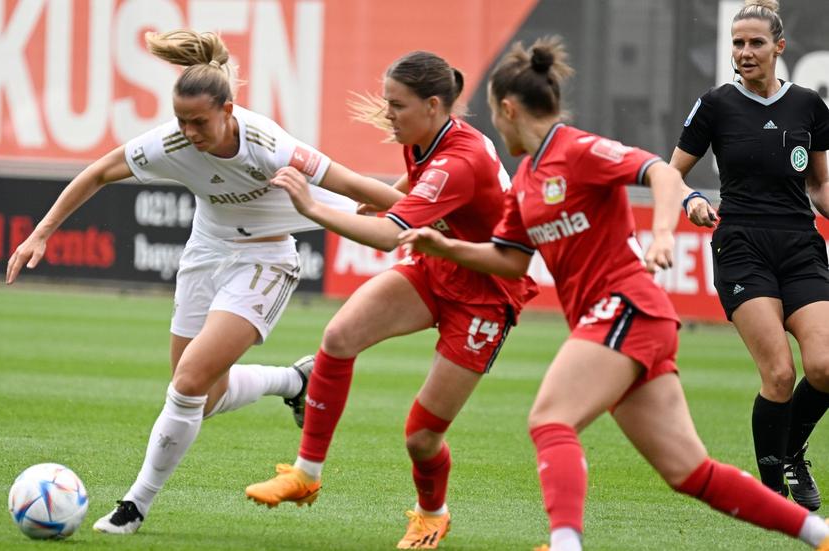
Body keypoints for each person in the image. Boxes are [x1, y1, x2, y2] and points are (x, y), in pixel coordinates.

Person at [398, 37, 829, 550]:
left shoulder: (576, 150)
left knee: (550, 418)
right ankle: (818, 535)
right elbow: (508, 260)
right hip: (628, 325)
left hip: (626, 307)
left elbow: (662, 173)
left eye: (494, 113)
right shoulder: (528, 181)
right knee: (689, 472)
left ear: (509, 109)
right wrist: (444, 246)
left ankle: (564, 543)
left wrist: (664, 233)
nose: (495, 123)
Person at [4, 29, 404, 535]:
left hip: (265, 260)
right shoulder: (170, 143)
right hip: (204, 253)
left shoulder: (270, 144)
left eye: (200, 122)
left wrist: (428, 210)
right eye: (182, 121)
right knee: (200, 394)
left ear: (229, 111)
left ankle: (134, 506)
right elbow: (99, 171)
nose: (190, 132)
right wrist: (41, 234)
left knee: (189, 381)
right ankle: (294, 381)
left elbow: (350, 184)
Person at [244, 50, 537, 549]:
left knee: (421, 437)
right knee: (338, 337)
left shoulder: (458, 162)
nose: (387, 114)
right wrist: (394, 191)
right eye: (386, 102)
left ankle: (431, 514)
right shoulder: (428, 137)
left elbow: (386, 237)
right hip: (437, 264)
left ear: (433, 104)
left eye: (396, 105)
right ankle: (306, 473)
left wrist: (311, 206)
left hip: (484, 294)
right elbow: (418, 185)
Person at [670, 0, 829, 511]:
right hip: (742, 245)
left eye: (755, 42)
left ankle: (791, 452)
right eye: (737, 43)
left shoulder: (808, 105)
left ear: (779, 47)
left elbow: (821, 186)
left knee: (826, 367)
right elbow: (670, 172)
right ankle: (770, 492)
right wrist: (692, 198)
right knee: (779, 374)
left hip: (801, 246)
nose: (744, 51)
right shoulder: (716, 104)